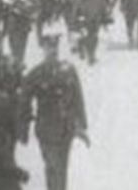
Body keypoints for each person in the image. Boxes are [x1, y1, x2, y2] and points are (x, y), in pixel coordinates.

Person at [19, 34, 89, 190]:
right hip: (46, 130)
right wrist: (23, 128)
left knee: (62, 167)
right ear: (43, 49)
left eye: (55, 47)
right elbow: (24, 101)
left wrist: (81, 123)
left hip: (66, 128)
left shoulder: (68, 70)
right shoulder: (36, 73)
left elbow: (78, 97)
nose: (52, 51)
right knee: (53, 166)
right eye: (49, 47)